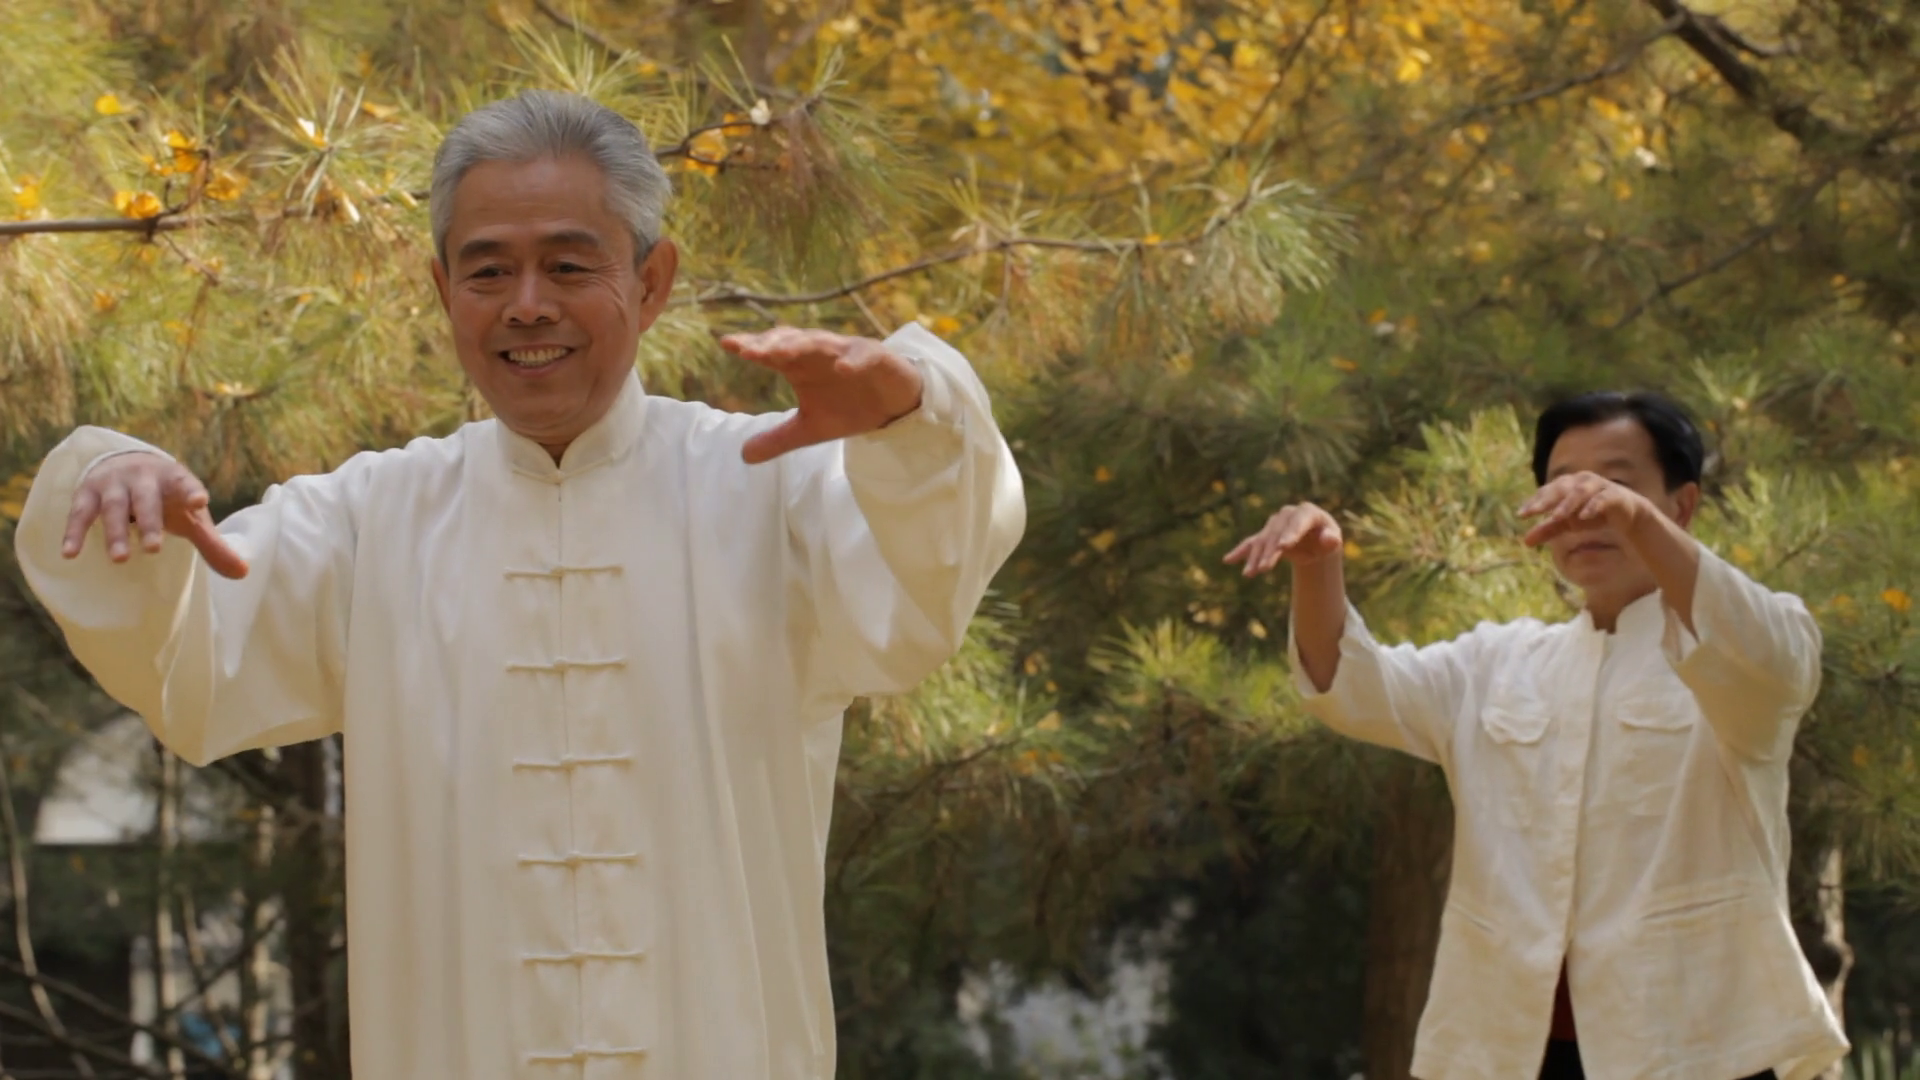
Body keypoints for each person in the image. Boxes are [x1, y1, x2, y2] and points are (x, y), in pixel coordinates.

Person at [14, 90, 1025, 1079]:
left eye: (569, 265)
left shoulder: (771, 488)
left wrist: (912, 416)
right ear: (442, 288)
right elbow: (192, 664)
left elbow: (925, 585)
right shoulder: (370, 521)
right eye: (488, 270)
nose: (527, 304)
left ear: (652, 281)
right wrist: (115, 481)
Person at [1225, 393, 1848, 1080]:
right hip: (1513, 1052)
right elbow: (1349, 687)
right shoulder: (1499, 663)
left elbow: (1766, 651)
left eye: (1615, 485)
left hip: (1699, 1049)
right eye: (1566, 485)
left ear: (1681, 505)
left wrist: (1637, 522)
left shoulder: (1751, 651)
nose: (1586, 509)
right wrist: (1319, 566)